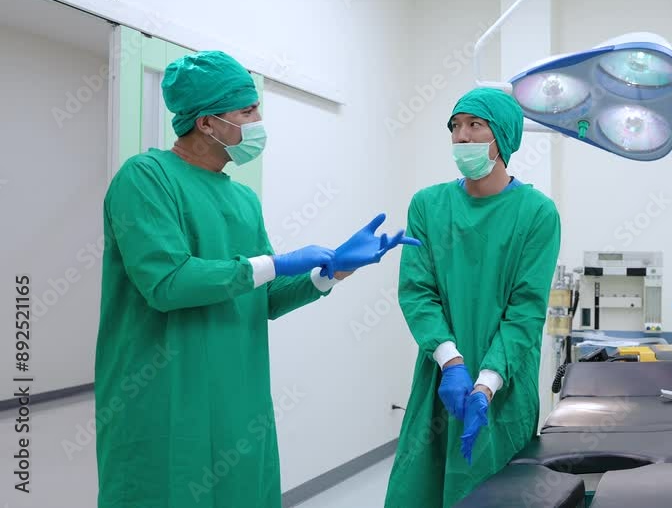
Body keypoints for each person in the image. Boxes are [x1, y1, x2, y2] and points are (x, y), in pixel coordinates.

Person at [94, 50, 419, 508]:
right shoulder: (145, 178)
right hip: (165, 395)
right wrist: (275, 263)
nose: (258, 120)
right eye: (247, 111)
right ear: (206, 122)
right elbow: (168, 284)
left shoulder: (243, 198)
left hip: (238, 398)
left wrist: (332, 271)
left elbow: (261, 297)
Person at [384, 88, 561, 507]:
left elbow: (525, 312)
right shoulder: (428, 205)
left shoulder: (537, 213)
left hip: (502, 390)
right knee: (420, 490)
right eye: (454, 126)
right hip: (441, 379)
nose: (461, 136)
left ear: (501, 136)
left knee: (491, 493)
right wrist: (451, 362)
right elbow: (417, 292)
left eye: (474, 125)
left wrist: (485, 384)